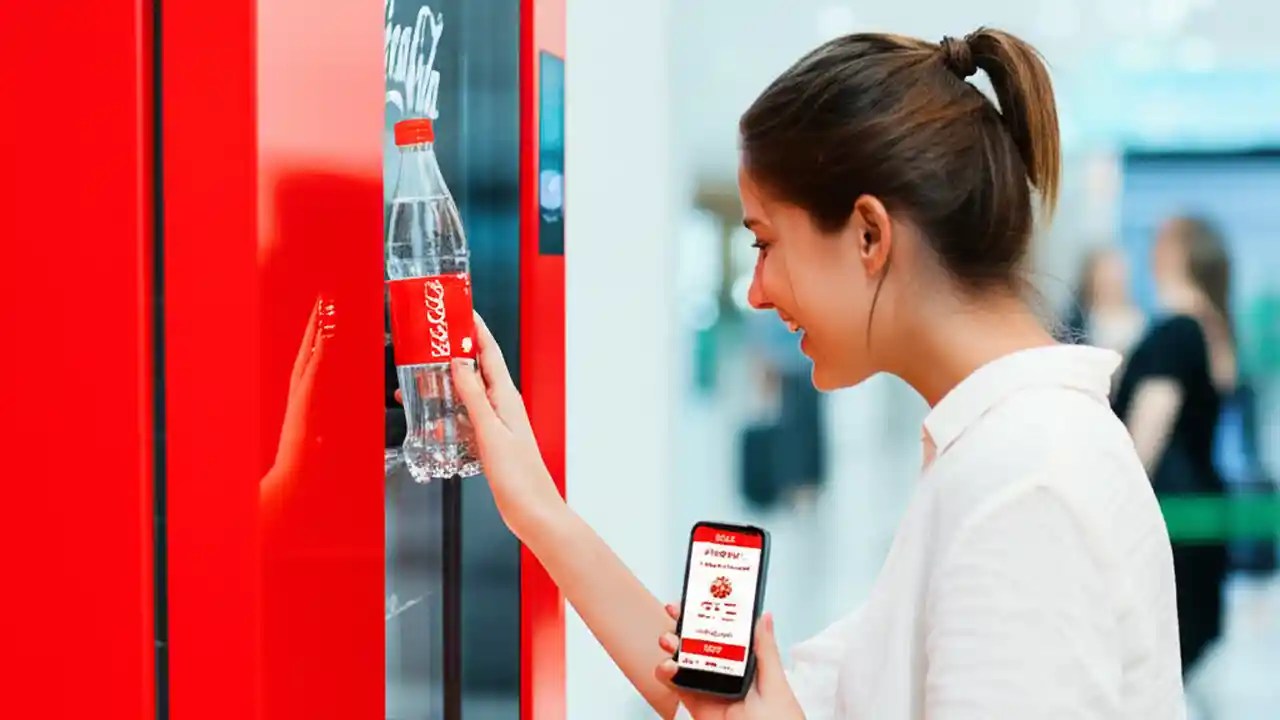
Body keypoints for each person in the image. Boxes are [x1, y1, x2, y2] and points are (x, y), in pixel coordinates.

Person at [448, 27, 1184, 719]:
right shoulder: (1001, 454)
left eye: (766, 244)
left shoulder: (1027, 483)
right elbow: (748, 701)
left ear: (869, 235)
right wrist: (536, 508)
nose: (757, 291)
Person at [1112, 216, 1237, 677]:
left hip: (1168, 517)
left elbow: (1146, 435)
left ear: (1175, 253)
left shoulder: (1177, 331)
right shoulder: (1214, 328)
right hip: (1200, 510)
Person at [1064, 246, 1146, 357]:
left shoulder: (1138, 321)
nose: (1110, 283)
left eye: (1115, 276)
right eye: (1104, 276)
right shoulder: (1077, 324)